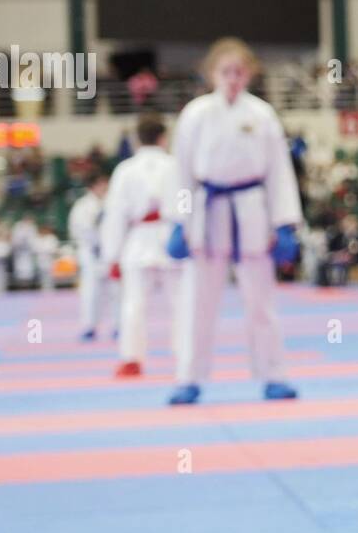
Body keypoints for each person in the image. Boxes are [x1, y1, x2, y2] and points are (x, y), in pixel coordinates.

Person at [166, 38, 304, 405]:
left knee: (260, 300)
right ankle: (188, 377)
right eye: (225, 71)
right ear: (212, 74)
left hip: (251, 209)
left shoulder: (261, 115)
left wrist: (284, 223)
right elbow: (181, 172)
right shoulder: (195, 114)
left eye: (239, 72)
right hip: (207, 212)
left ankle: (274, 374)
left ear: (249, 75)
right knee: (198, 302)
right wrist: (178, 220)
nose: (232, 78)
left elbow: (279, 172)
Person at [100, 114, 180, 378]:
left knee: (133, 304)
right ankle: (186, 355)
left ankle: (131, 359)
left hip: (137, 239)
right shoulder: (176, 166)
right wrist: (190, 234)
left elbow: (115, 214)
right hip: (171, 237)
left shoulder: (125, 171)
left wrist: (112, 256)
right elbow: (187, 203)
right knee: (181, 303)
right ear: (163, 138)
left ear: (137, 140)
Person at [68, 173, 113, 341]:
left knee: (116, 291)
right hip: (90, 253)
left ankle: (118, 326)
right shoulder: (82, 207)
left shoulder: (112, 202)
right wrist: (95, 243)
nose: (105, 188)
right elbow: (79, 230)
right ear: (92, 186)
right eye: (101, 184)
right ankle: (89, 326)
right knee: (90, 292)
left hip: (110, 252)